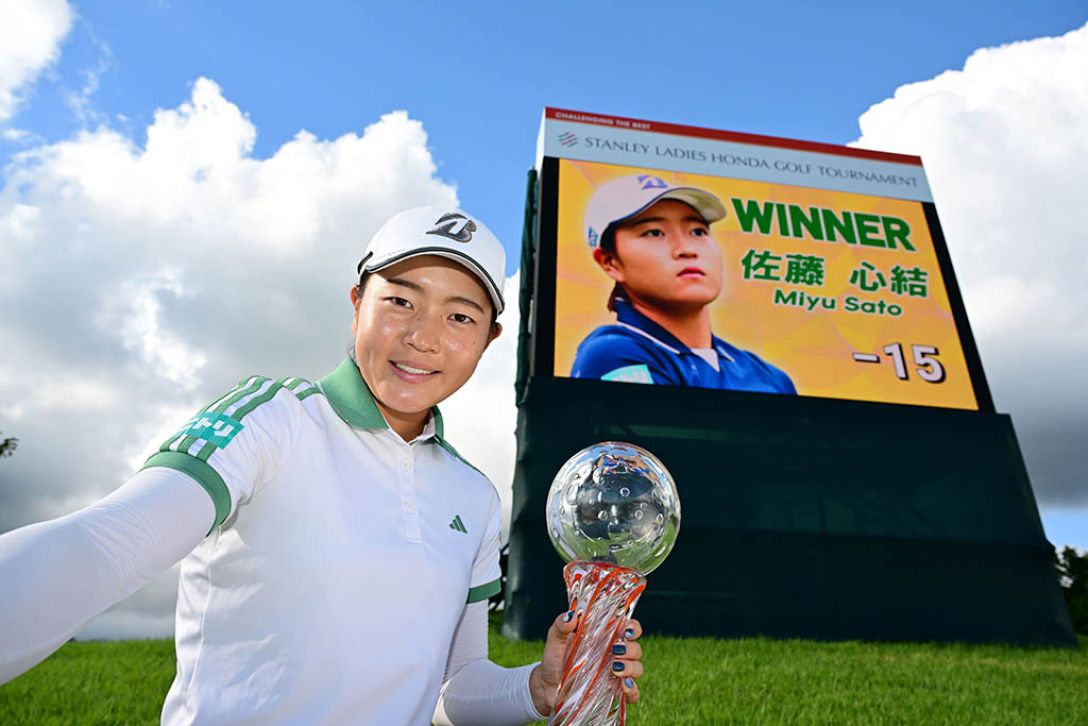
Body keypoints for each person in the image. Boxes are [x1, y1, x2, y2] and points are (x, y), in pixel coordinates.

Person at [0, 206, 645, 724]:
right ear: (358, 299)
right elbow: (106, 543)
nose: (424, 336)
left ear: (488, 339)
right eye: (401, 301)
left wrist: (537, 688)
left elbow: (453, 691)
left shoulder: (473, 496)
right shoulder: (273, 416)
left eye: (459, 316)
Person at [570, 174, 797, 394]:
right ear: (610, 263)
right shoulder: (613, 353)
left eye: (698, 231)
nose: (687, 249)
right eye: (654, 233)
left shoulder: (769, 376)